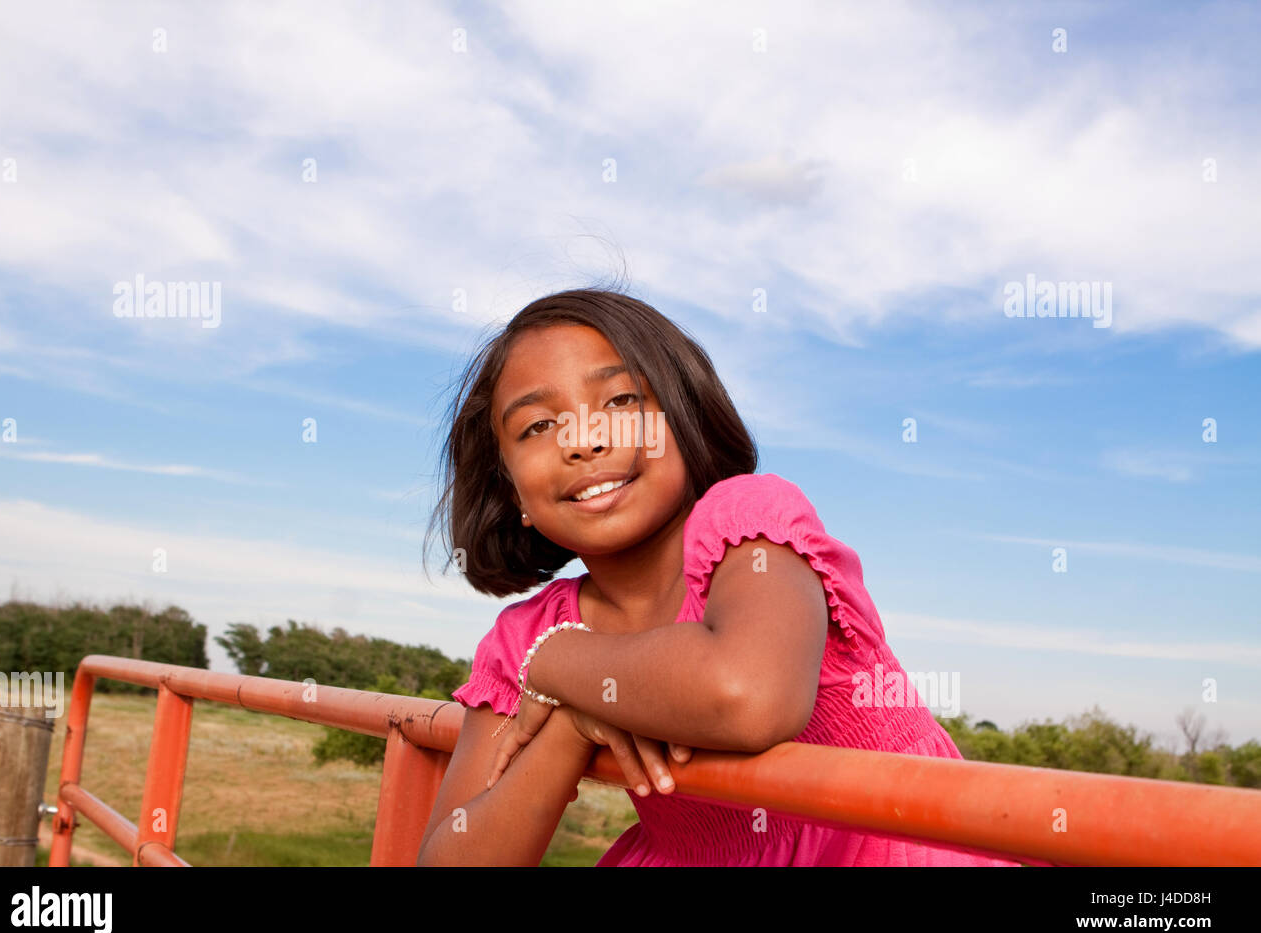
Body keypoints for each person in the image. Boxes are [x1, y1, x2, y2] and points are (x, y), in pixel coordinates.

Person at [416, 288, 1019, 866]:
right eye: (537, 427)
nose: (584, 441)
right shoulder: (523, 638)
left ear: (684, 418)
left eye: (622, 402)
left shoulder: (749, 524)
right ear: (510, 487)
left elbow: (749, 696)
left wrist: (558, 668)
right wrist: (573, 727)